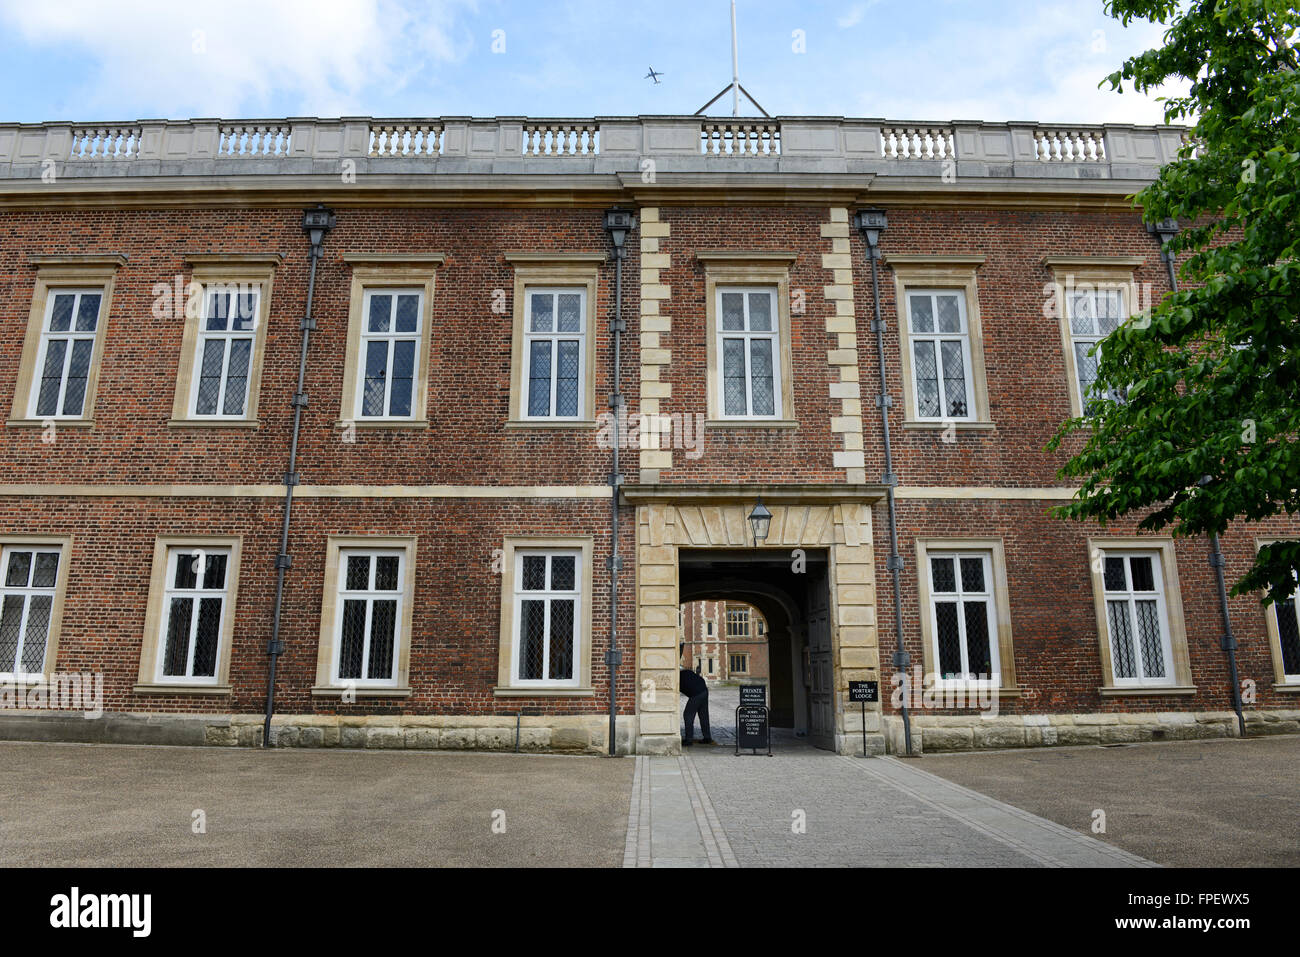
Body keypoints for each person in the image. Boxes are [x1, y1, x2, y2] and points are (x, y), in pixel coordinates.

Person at [680, 643, 714, 746]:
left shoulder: (678, 677)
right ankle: (707, 737)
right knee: (703, 715)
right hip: (703, 690)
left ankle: (689, 739)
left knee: (688, 715)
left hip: (696, 693)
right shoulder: (685, 673)